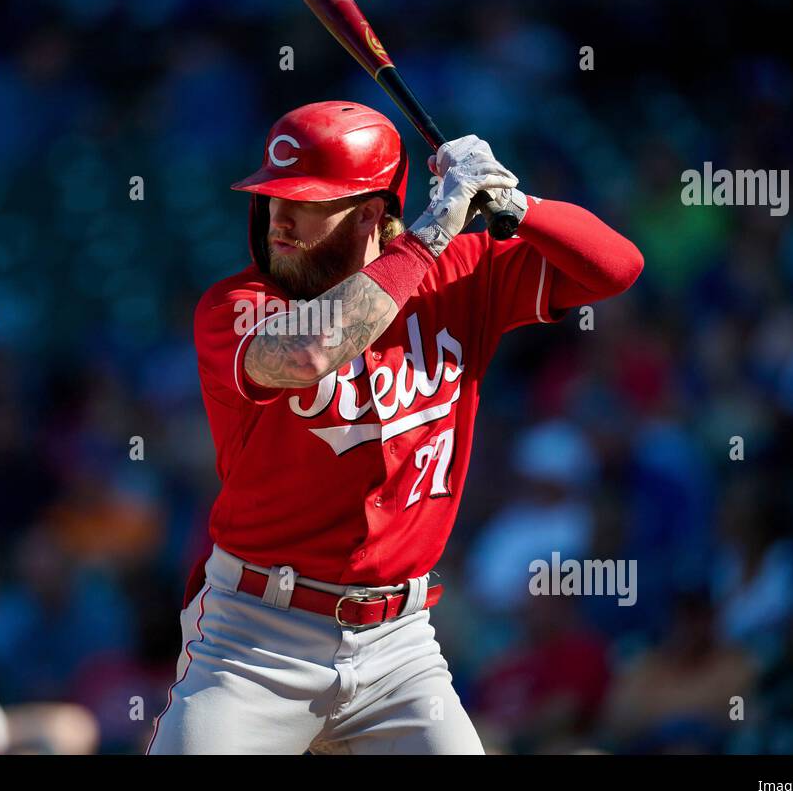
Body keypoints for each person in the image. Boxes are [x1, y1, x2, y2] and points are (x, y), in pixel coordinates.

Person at [149, 101, 642, 754]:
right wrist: (434, 229)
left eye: (306, 201)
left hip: (400, 644)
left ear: (373, 212)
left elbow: (615, 268)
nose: (279, 218)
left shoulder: (461, 277)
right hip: (255, 641)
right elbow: (308, 354)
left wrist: (518, 204)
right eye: (271, 196)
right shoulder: (238, 305)